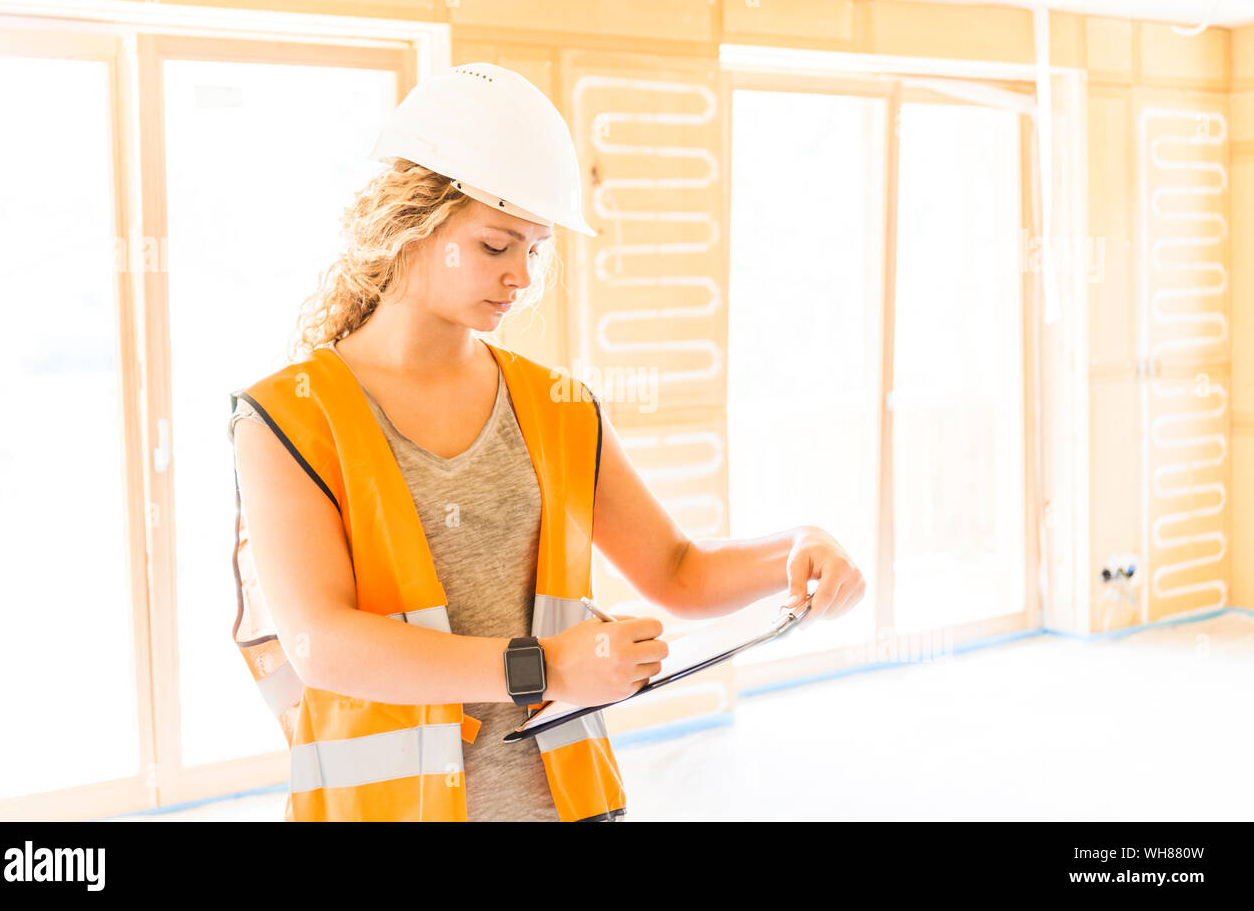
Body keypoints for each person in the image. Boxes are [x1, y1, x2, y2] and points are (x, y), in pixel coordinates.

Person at [228, 63, 866, 822]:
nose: (521, 277)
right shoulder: (288, 416)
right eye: (497, 245)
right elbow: (322, 643)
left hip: (568, 808)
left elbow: (677, 571)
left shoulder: (556, 405)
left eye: (535, 249)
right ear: (410, 223)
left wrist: (794, 548)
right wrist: (544, 666)